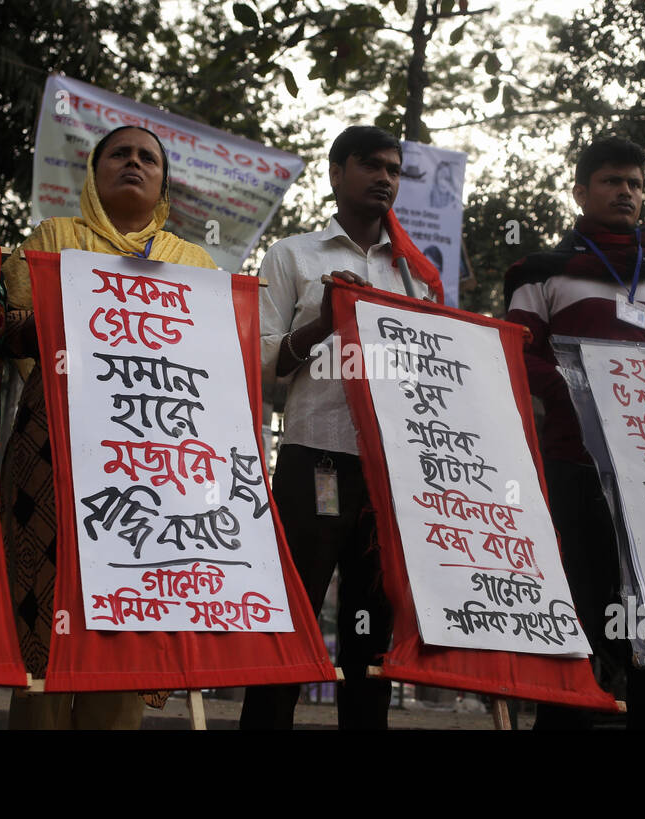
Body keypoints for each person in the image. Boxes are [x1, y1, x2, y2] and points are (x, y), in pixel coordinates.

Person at [0, 125, 217, 729]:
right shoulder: (51, 239)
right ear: (93, 173)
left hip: (151, 463)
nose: (134, 163)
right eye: (119, 153)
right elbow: (5, 326)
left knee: (130, 611)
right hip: (52, 451)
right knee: (43, 607)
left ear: (163, 182)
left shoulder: (193, 263)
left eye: (148, 157)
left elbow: (211, 365)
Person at [241, 125, 442, 730]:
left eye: (394, 169)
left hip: (394, 472)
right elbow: (258, 360)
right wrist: (323, 324)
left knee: (373, 637)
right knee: (294, 619)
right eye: (371, 165)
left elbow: (434, 373)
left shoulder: (418, 276)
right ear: (336, 172)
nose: (385, 177)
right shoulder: (293, 256)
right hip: (316, 459)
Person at [504, 136, 645, 729]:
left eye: (636, 184)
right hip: (573, 465)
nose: (627, 193)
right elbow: (513, 353)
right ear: (582, 192)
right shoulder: (542, 275)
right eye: (613, 181)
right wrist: (575, 387)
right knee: (579, 606)